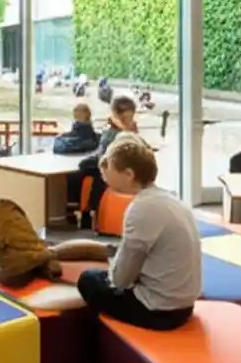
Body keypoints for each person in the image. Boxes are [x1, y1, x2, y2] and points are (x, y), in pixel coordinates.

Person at [77, 134, 200, 331]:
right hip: (185, 304)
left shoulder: (142, 208)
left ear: (128, 174)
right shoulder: (172, 199)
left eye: (110, 170)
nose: (106, 177)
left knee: (88, 280)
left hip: (159, 311)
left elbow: (120, 279)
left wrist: (113, 263)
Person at [77, 96, 140, 230]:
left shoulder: (127, 132)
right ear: (115, 116)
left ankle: (90, 212)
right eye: (124, 119)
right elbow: (105, 159)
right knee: (94, 174)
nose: (128, 122)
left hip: (118, 168)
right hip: (109, 166)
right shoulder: (111, 134)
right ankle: (91, 212)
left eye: (131, 118)